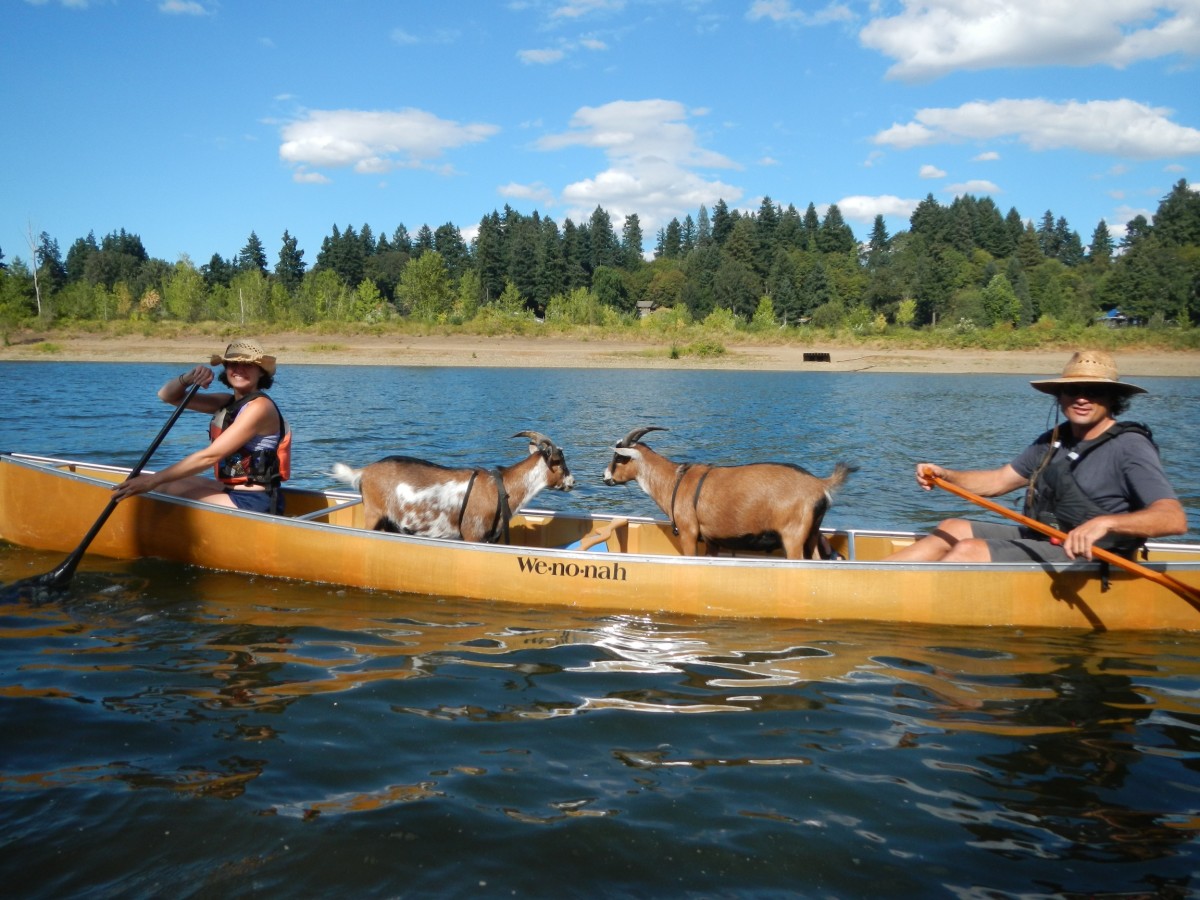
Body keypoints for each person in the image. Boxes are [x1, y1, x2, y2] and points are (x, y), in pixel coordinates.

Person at [887, 350, 1186, 563]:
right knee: (953, 528)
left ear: (1113, 399)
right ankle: (881, 578)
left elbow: (1173, 518)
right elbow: (998, 481)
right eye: (1073, 390)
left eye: (1093, 391)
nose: (1082, 398)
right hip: (1047, 538)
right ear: (1060, 396)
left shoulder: (1129, 446)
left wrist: (1106, 524)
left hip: (1093, 555)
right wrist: (946, 476)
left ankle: (912, 598)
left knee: (969, 551)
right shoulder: (1054, 440)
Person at [111, 339, 291, 514]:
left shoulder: (260, 407)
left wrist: (151, 483)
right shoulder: (227, 402)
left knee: (158, 484)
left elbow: (210, 456)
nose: (239, 369)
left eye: (248, 365)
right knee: (144, 479)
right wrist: (188, 378)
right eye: (232, 364)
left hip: (253, 502)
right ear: (226, 369)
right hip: (231, 490)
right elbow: (167, 395)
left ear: (260, 372)